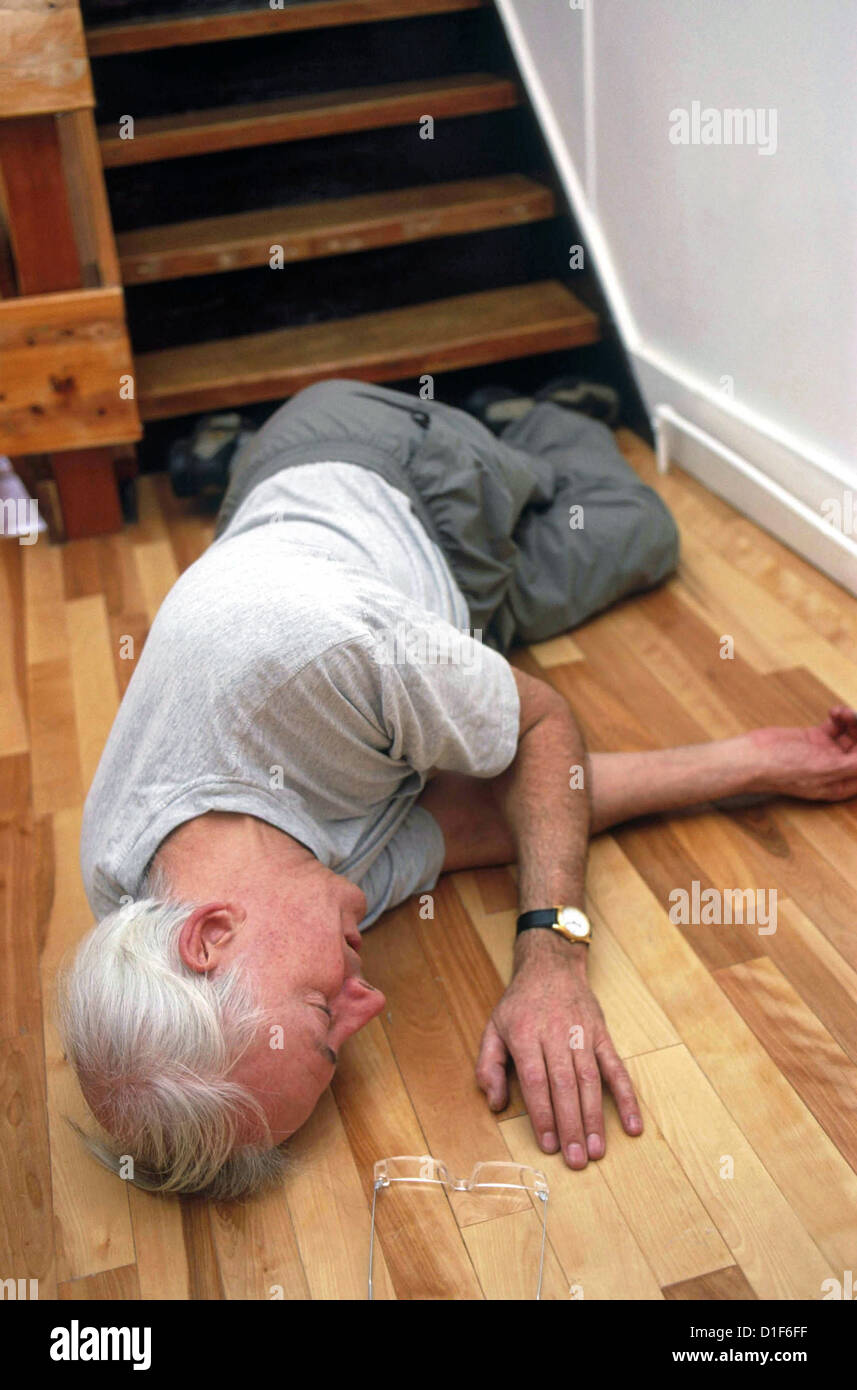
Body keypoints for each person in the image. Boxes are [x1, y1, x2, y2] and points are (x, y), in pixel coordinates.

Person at [59, 378, 857, 1199]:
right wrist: (760, 761)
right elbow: (482, 818)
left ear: (212, 935)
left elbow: (543, 728)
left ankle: (535, 414)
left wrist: (551, 955)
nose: (366, 1003)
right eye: (343, 1041)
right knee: (474, 683)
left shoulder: (322, 654)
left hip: (395, 465)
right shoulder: (201, 909)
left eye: (319, 1013)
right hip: (354, 577)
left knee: (639, 533)